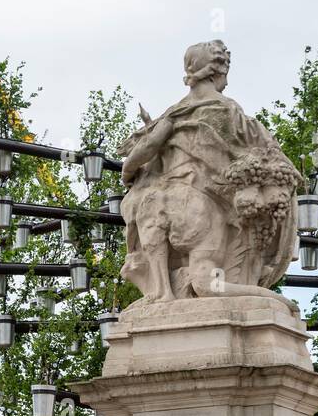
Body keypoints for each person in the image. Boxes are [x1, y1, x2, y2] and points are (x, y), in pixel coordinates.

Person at [118, 40, 300, 304]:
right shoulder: (230, 111)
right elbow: (263, 158)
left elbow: (149, 145)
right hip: (211, 207)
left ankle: (162, 290)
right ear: (218, 71)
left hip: (168, 199)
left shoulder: (175, 113)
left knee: (139, 206)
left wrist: (127, 169)